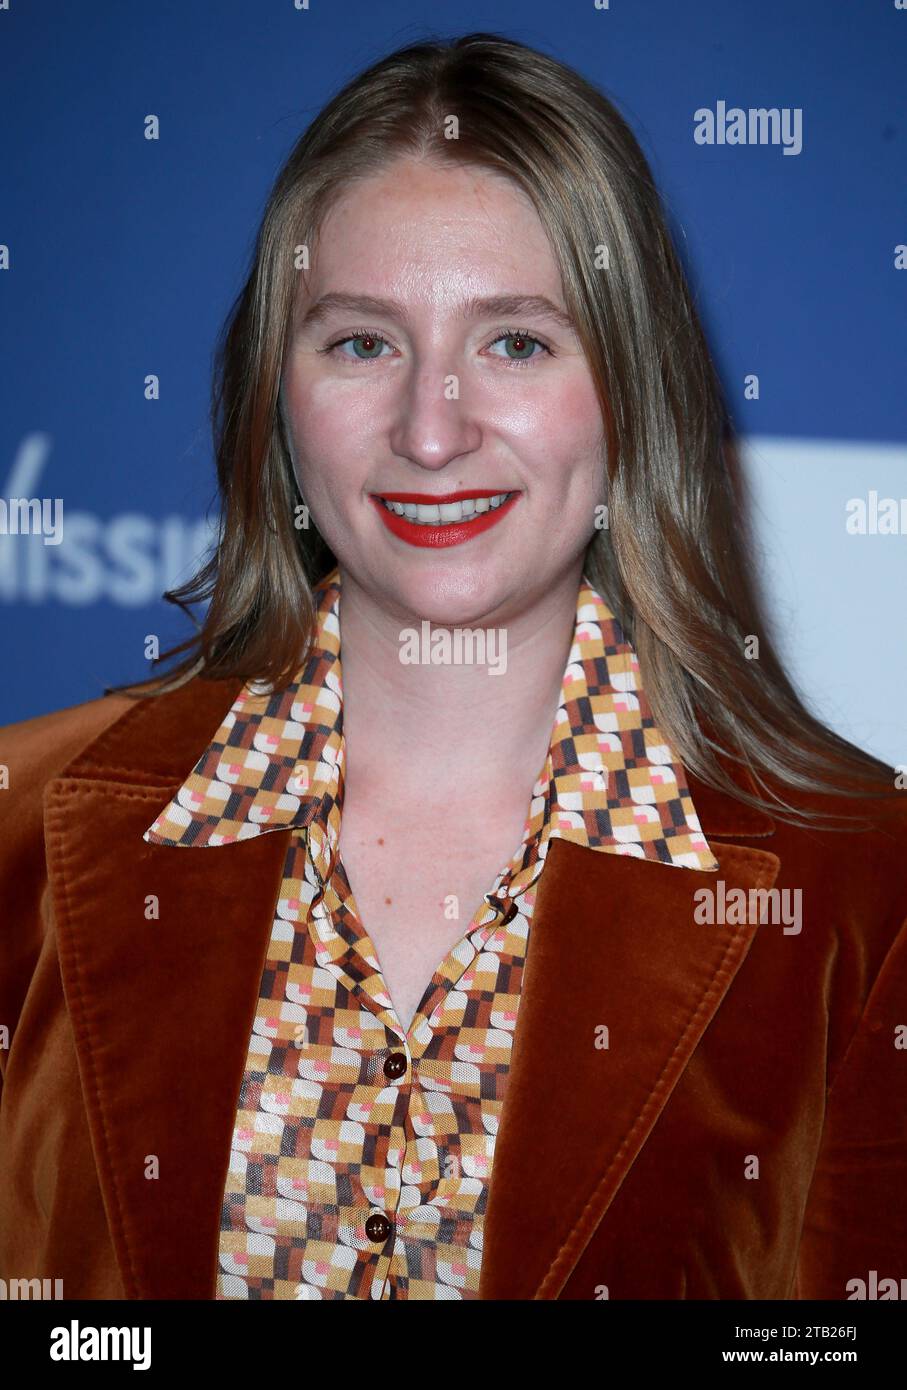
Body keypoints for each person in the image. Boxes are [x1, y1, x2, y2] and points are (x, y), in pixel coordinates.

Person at [1, 32, 905, 1302]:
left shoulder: (864, 890)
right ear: (278, 390)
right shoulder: (22, 828)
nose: (432, 429)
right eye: (362, 343)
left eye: (517, 343)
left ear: (632, 387)